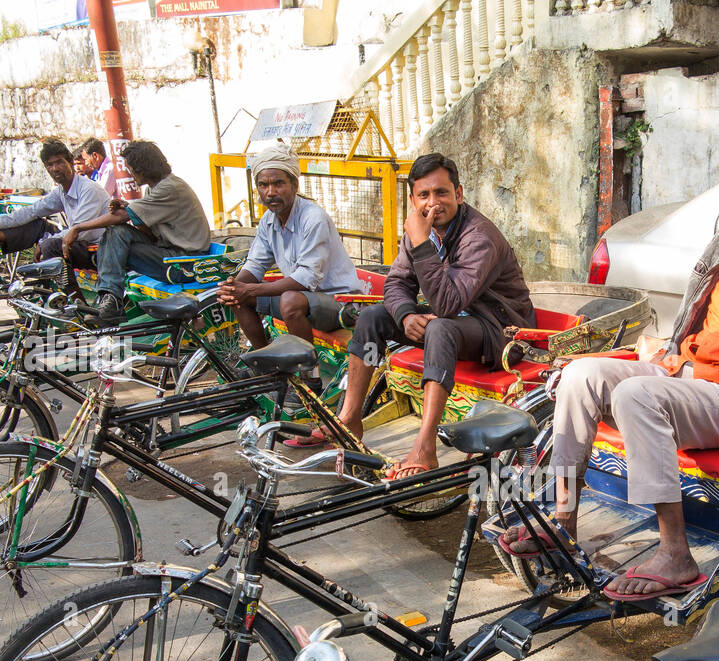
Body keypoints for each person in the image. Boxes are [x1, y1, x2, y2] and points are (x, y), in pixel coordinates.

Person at [501, 131, 719, 600]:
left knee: (634, 394)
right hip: (682, 376)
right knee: (580, 374)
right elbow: (689, 323)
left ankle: (675, 553)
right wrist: (666, 349)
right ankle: (564, 518)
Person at [337, 152, 535, 480]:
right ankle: (350, 417)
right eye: (424, 195)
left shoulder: (479, 235)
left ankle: (424, 447)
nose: (433, 203)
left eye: (442, 193)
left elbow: (446, 304)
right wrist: (404, 316)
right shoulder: (420, 229)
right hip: (453, 320)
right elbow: (398, 282)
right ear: (414, 200)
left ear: (458, 193)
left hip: (501, 331)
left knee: (440, 328)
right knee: (372, 317)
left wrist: (419, 242)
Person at [217, 144, 360, 351]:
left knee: (289, 300)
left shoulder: (313, 218)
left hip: (339, 305)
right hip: (299, 299)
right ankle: (264, 361)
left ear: (294, 184)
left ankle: (308, 373)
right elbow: (256, 264)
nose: (270, 192)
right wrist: (234, 288)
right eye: (263, 185)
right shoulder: (268, 221)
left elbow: (306, 278)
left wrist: (251, 288)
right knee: (241, 298)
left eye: (278, 184)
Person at [66, 140, 211, 321]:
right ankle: (109, 299)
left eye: (131, 169)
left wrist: (78, 228)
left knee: (117, 238)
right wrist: (129, 209)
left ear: (142, 169)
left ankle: (111, 301)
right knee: (116, 233)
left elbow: (120, 217)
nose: (130, 174)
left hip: (184, 263)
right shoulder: (154, 189)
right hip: (169, 254)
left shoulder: (170, 188)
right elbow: (146, 229)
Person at [0, 138, 109, 266]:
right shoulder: (61, 191)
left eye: (60, 162)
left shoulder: (88, 189)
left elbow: (78, 231)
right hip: (78, 243)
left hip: (97, 248)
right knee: (35, 224)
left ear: (70, 162)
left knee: (50, 245)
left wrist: (43, 243)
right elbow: (31, 211)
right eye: (50, 165)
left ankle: (67, 295)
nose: (55, 169)